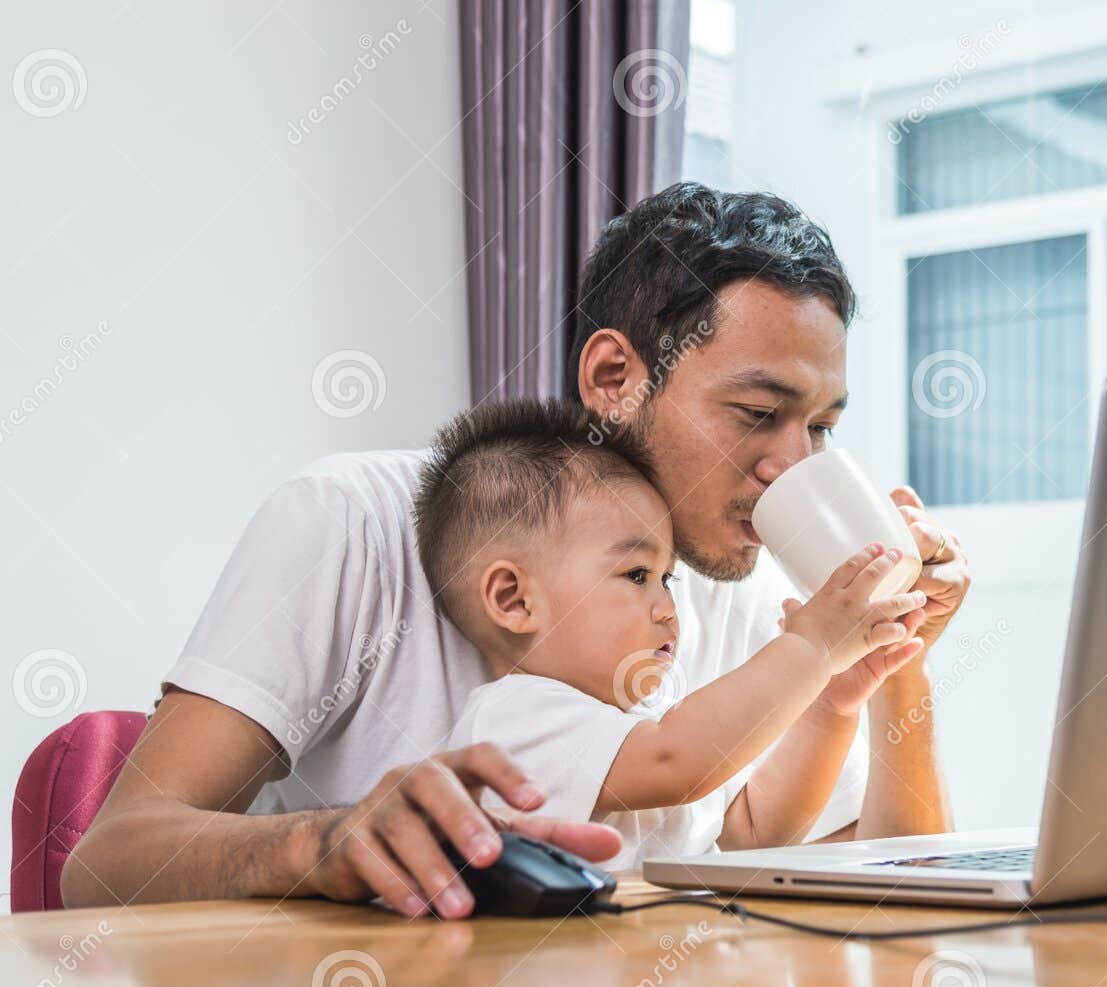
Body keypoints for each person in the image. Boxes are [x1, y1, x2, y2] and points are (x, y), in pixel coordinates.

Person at [63, 182, 971, 920]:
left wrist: (896, 664)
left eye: (819, 428)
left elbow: (880, 880)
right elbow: (106, 866)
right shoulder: (350, 520)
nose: (791, 467)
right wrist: (330, 840)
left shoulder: (744, 573)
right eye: (758, 415)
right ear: (613, 377)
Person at [415, 397, 927, 875]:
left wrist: (831, 703)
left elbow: (756, 833)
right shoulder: (513, 719)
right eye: (636, 575)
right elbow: (679, 761)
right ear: (515, 600)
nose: (667, 608)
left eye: (669, 579)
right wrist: (811, 647)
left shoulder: (653, 715)